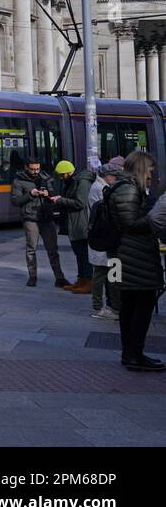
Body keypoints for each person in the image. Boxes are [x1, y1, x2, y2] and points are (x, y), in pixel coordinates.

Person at [109, 151, 164, 371]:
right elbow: (130, 224)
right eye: (150, 170)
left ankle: (131, 353)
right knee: (140, 306)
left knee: (130, 306)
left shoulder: (125, 187)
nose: (152, 174)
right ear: (141, 168)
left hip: (127, 256)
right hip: (133, 257)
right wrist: (154, 218)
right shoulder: (129, 189)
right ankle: (134, 354)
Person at [11, 157, 69, 288]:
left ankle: (59, 278)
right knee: (31, 249)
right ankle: (32, 276)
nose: (36, 171)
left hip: (47, 217)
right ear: (26, 167)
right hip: (30, 218)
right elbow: (15, 201)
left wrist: (48, 193)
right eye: (33, 169)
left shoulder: (46, 177)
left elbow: (55, 194)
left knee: (53, 249)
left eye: (38, 168)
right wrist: (30, 194)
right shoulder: (19, 180)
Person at [50, 159, 96, 294]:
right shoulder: (72, 181)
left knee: (83, 254)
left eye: (61, 175)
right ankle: (81, 280)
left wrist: (60, 200)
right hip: (74, 222)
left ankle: (88, 283)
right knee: (79, 254)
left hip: (81, 223)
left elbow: (80, 202)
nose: (60, 178)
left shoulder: (82, 182)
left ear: (68, 172)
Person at [88, 160, 123, 320]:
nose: (115, 179)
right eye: (114, 176)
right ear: (107, 176)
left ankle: (113, 305)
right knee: (102, 273)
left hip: (104, 239)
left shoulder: (102, 187)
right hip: (104, 239)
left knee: (110, 273)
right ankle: (100, 307)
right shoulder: (100, 189)